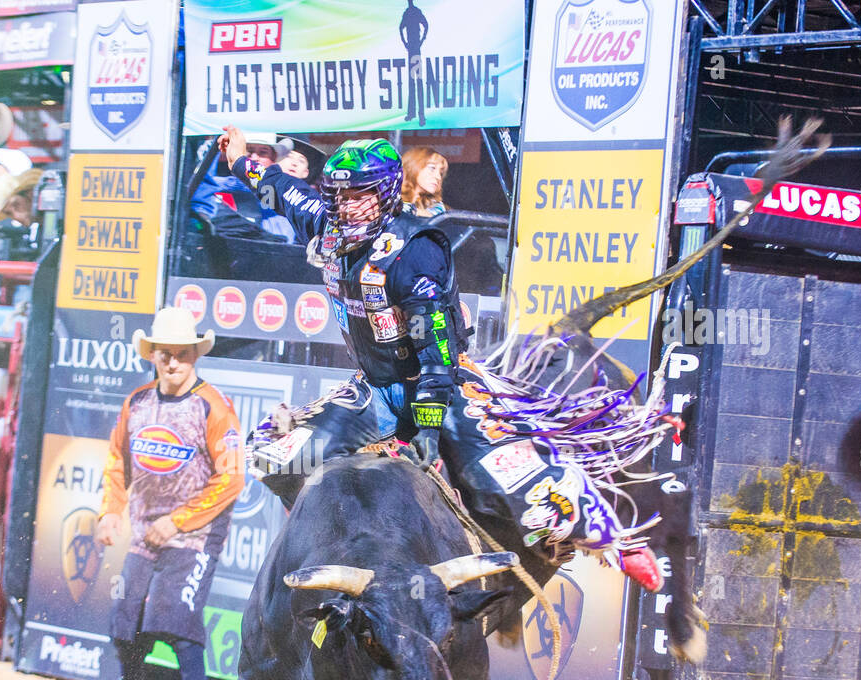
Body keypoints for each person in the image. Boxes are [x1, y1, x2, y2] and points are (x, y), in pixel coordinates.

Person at [221, 125, 662, 590]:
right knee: (274, 455)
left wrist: (428, 425)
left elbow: (434, 351)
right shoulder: (330, 226)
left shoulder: (415, 251)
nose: (346, 204)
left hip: (441, 384)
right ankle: (333, 539)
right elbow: (284, 190)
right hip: (373, 387)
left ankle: (615, 537)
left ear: (386, 193)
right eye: (339, 194)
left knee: (502, 481)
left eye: (359, 195)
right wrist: (239, 161)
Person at [94, 307, 244, 680]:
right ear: (153, 355)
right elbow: (117, 461)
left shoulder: (213, 407)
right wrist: (110, 511)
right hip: (145, 530)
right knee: (125, 612)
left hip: (195, 535)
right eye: (165, 354)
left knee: (175, 613)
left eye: (182, 354)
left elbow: (232, 477)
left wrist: (179, 521)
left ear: (195, 355)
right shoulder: (137, 403)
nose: (174, 362)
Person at [189, 131, 294, 240]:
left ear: (273, 160)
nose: (254, 157)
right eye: (249, 151)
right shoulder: (207, 187)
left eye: (263, 152)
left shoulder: (282, 198)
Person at [401, 146, 448, 216]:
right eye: (432, 168)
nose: (438, 177)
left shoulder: (437, 207)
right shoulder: (391, 199)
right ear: (412, 167)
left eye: (441, 173)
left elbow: (433, 217)